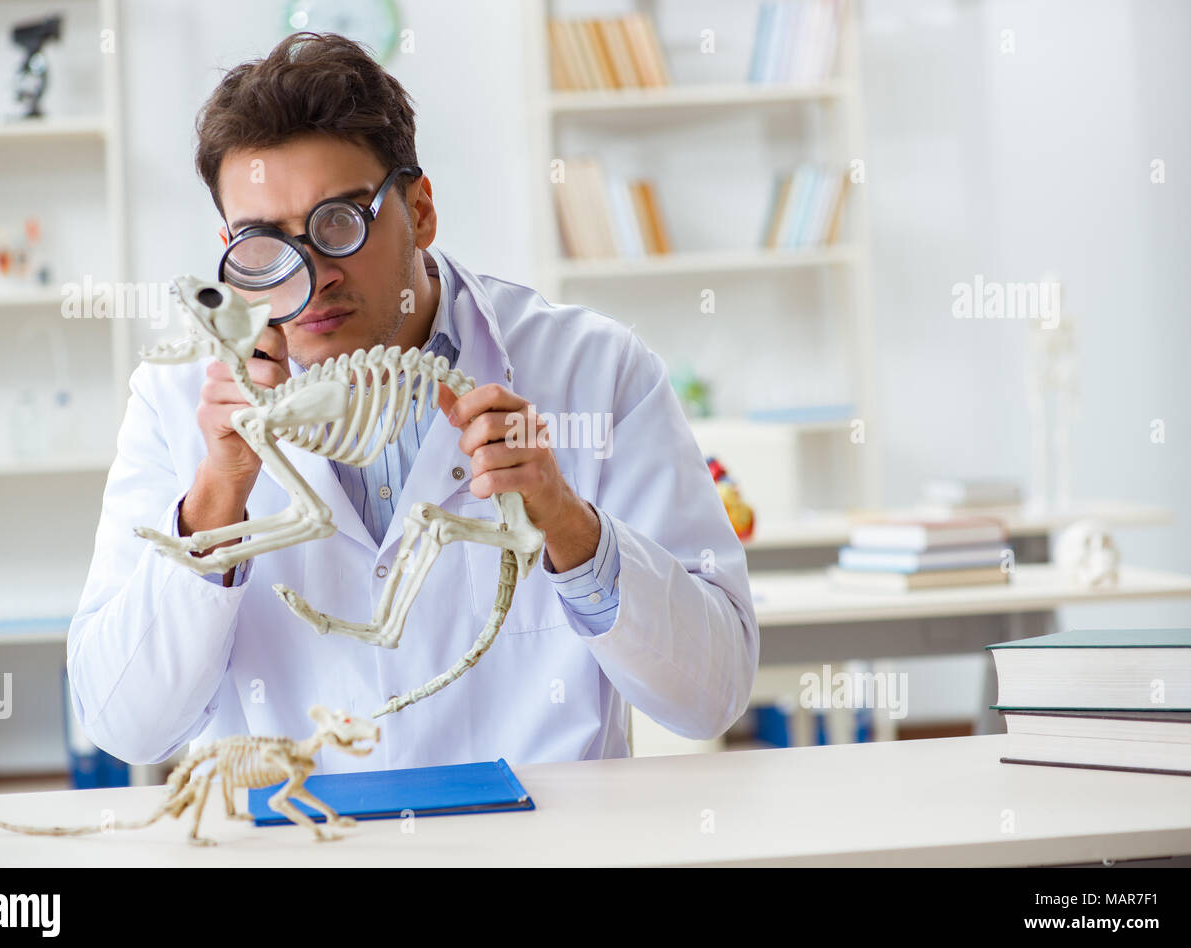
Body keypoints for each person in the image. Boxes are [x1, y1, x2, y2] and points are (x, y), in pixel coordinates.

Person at [68, 32, 757, 772]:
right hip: (302, 843)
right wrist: (215, 502)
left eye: (338, 223)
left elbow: (712, 694)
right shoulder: (175, 403)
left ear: (420, 210)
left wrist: (569, 524)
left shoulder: (596, 369)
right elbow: (124, 725)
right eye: (265, 243)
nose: (312, 278)